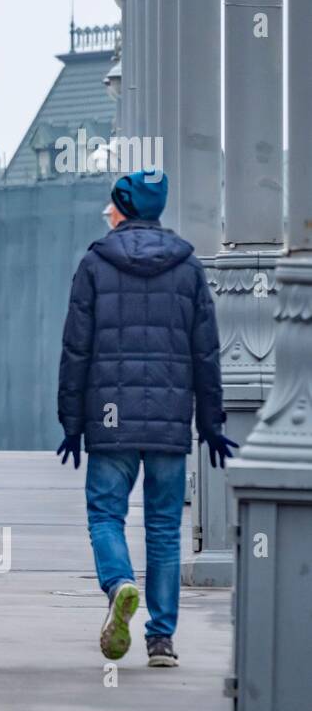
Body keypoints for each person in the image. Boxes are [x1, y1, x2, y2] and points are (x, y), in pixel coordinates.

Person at [58, 170, 234, 668]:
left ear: (124, 208)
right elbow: (207, 352)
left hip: (110, 417)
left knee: (106, 515)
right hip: (169, 419)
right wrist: (212, 422)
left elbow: (76, 350)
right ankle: (161, 640)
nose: (107, 213)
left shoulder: (94, 263)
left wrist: (72, 423)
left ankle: (119, 583)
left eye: (111, 205)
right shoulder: (188, 266)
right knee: (162, 527)